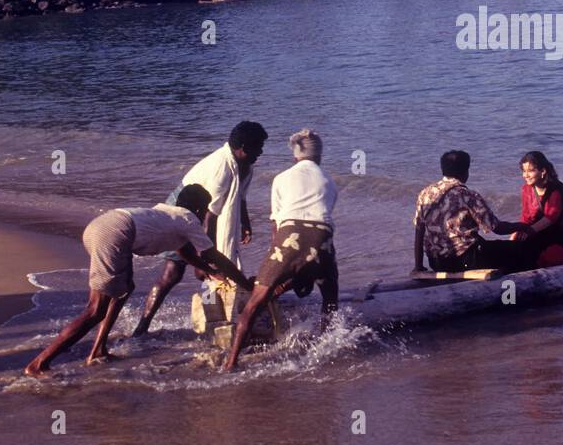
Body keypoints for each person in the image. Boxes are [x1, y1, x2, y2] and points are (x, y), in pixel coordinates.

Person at [24, 185, 250, 376]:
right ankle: (39, 364)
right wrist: (244, 281)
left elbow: (184, 251)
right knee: (95, 310)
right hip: (115, 234)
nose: (204, 218)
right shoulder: (188, 218)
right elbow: (213, 255)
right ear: (199, 209)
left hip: (101, 227)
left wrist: (207, 271)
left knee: (125, 288)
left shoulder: (166, 212)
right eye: (205, 212)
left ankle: (99, 349)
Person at [133, 121, 268, 336]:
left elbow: (240, 197)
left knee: (207, 272)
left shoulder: (246, 167)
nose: (261, 152)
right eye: (258, 147)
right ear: (242, 148)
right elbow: (209, 217)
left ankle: (214, 321)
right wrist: (204, 258)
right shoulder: (222, 167)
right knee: (174, 273)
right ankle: (142, 327)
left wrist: (245, 223)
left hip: (200, 208)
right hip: (183, 205)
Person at [222, 130, 338, 372]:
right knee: (329, 297)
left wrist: (277, 270)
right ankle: (326, 351)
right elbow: (321, 222)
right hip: (322, 239)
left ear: (295, 157)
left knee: (255, 301)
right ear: (319, 156)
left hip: (289, 237)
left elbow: (276, 228)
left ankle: (231, 362)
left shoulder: (282, 178)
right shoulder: (330, 181)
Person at [413, 150, 523, 273]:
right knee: (518, 250)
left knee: (492, 247)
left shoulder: (425, 194)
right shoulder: (467, 195)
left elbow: (419, 231)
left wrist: (418, 266)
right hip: (465, 260)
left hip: (436, 263)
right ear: (465, 172)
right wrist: (521, 227)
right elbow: (496, 228)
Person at [513, 151, 563, 269]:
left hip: (560, 235)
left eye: (530, 171)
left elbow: (551, 218)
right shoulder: (526, 189)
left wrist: (528, 232)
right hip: (537, 232)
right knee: (515, 246)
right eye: (524, 171)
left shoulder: (557, 188)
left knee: (542, 257)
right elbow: (525, 216)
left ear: (543, 171)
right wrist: (516, 232)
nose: (525, 175)